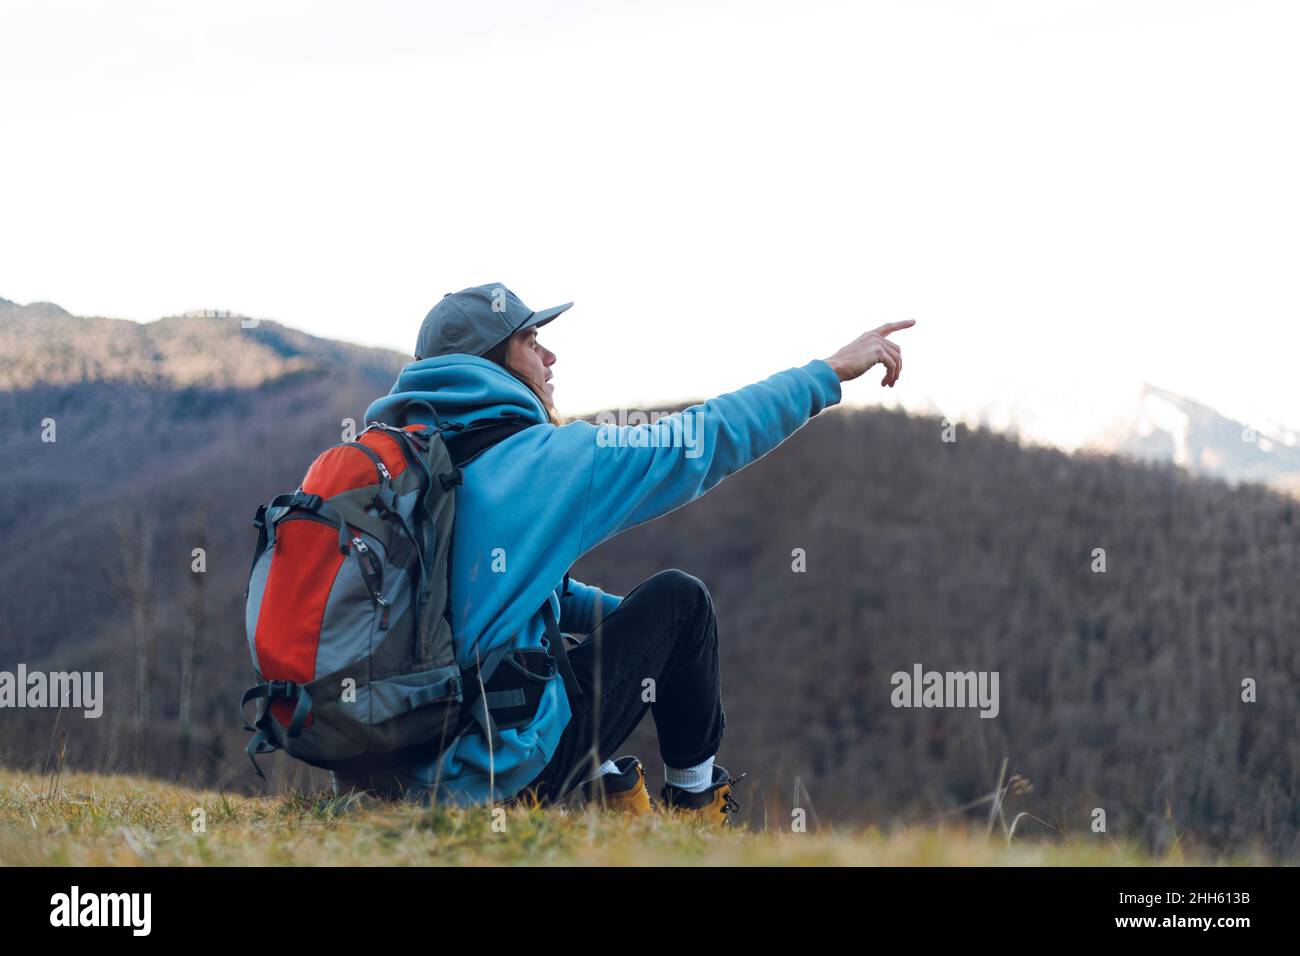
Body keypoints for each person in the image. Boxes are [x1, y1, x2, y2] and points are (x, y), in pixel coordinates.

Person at [332, 282, 913, 826]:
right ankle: (693, 808)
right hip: (489, 779)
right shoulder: (545, 460)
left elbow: (512, 597)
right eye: (530, 341)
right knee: (683, 602)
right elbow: (701, 439)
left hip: (383, 770)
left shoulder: (400, 470)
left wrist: (642, 633)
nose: (549, 357)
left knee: (620, 632)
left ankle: (608, 786)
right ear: (493, 361)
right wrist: (827, 373)